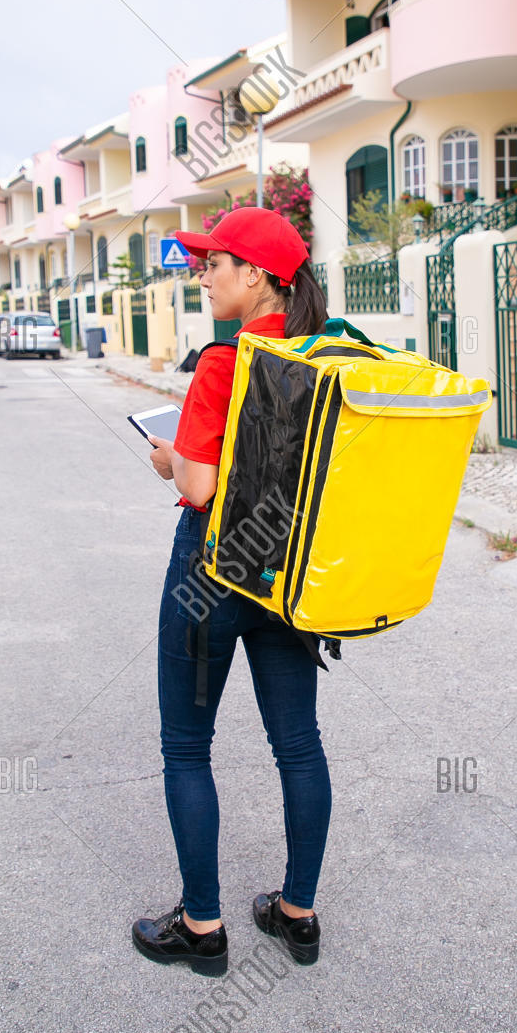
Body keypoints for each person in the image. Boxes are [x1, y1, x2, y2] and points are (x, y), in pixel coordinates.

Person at [132, 207, 331, 977]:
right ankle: (297, 914)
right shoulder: (325, 355)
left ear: (255, 276)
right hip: (287, 575)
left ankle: (203, 927)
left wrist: (167, 460)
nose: (202, 273)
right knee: (299, 746)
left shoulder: (227, 360)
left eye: (213, 262)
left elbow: (203, 482)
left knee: (187, 747)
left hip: (211, 573)